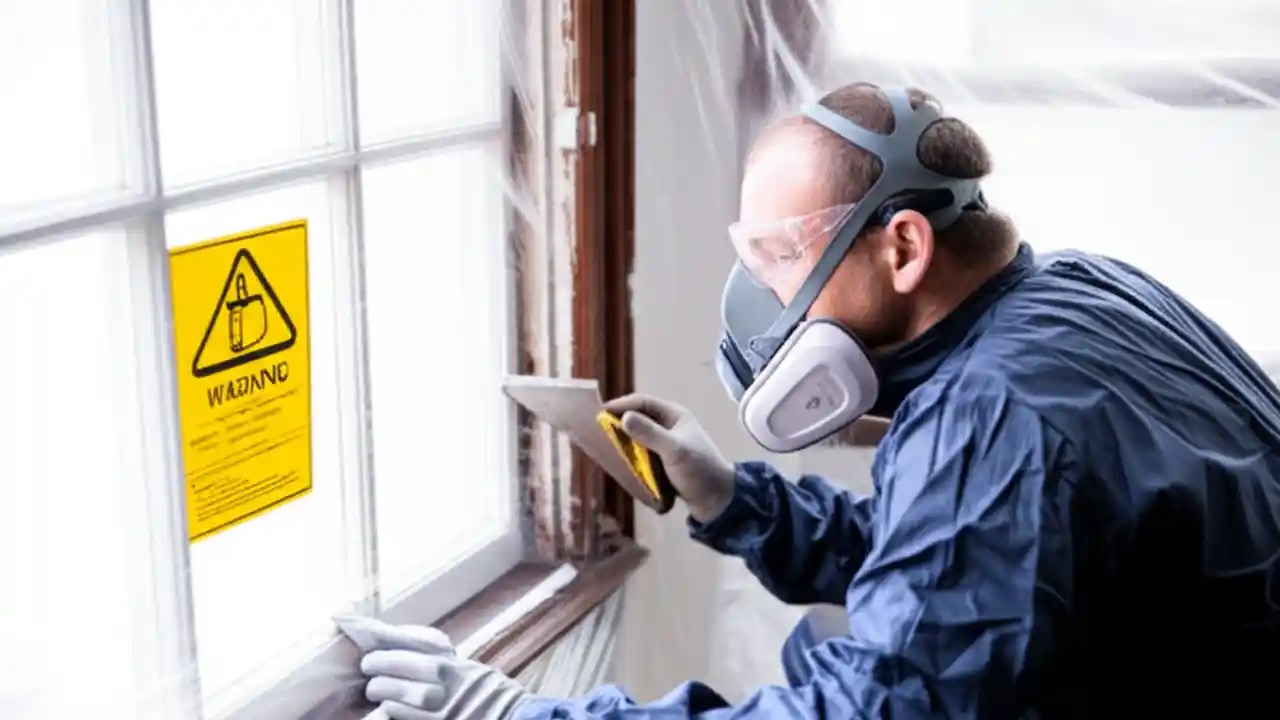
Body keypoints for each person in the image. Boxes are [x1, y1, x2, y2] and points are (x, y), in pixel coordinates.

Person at [336, 83, 1280, 718]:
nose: (769, 304)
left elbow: (877, 701)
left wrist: (514, 713)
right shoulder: (1084, 288)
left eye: (782, 260)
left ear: (903, 247)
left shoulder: (993, 416)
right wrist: (733, 501)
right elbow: (969, 561)